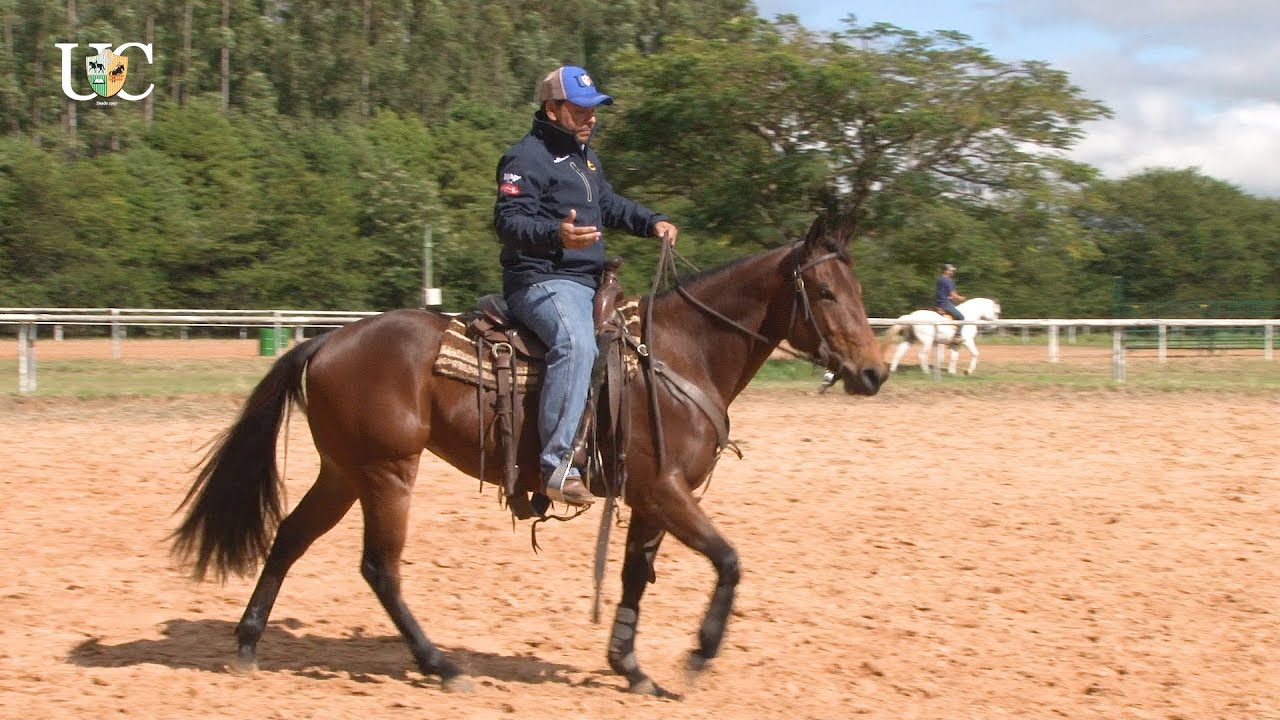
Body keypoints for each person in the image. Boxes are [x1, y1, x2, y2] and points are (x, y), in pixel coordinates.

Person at [493, 64, 677, 507]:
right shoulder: (525, 158)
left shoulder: (586, 159)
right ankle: (556, 465)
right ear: (552, 109)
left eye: (594, 110)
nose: (591, 118)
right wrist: (556, 234)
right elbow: (508, 221)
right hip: (542, 281)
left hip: (589, 281)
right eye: (580, 110)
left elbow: (608, 204)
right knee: (577, 344)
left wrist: (651, 221)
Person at [935, 263, 966, 346]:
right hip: (945, 304)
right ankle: (957, 336)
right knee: (961, 317)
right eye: (950, 270)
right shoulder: (949, 280)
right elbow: (953, 295)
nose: (952, 272)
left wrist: (949, 297)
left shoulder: (939, 279)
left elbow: (942, 293)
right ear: (946, 271)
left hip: (938, 304)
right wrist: (961, 298)